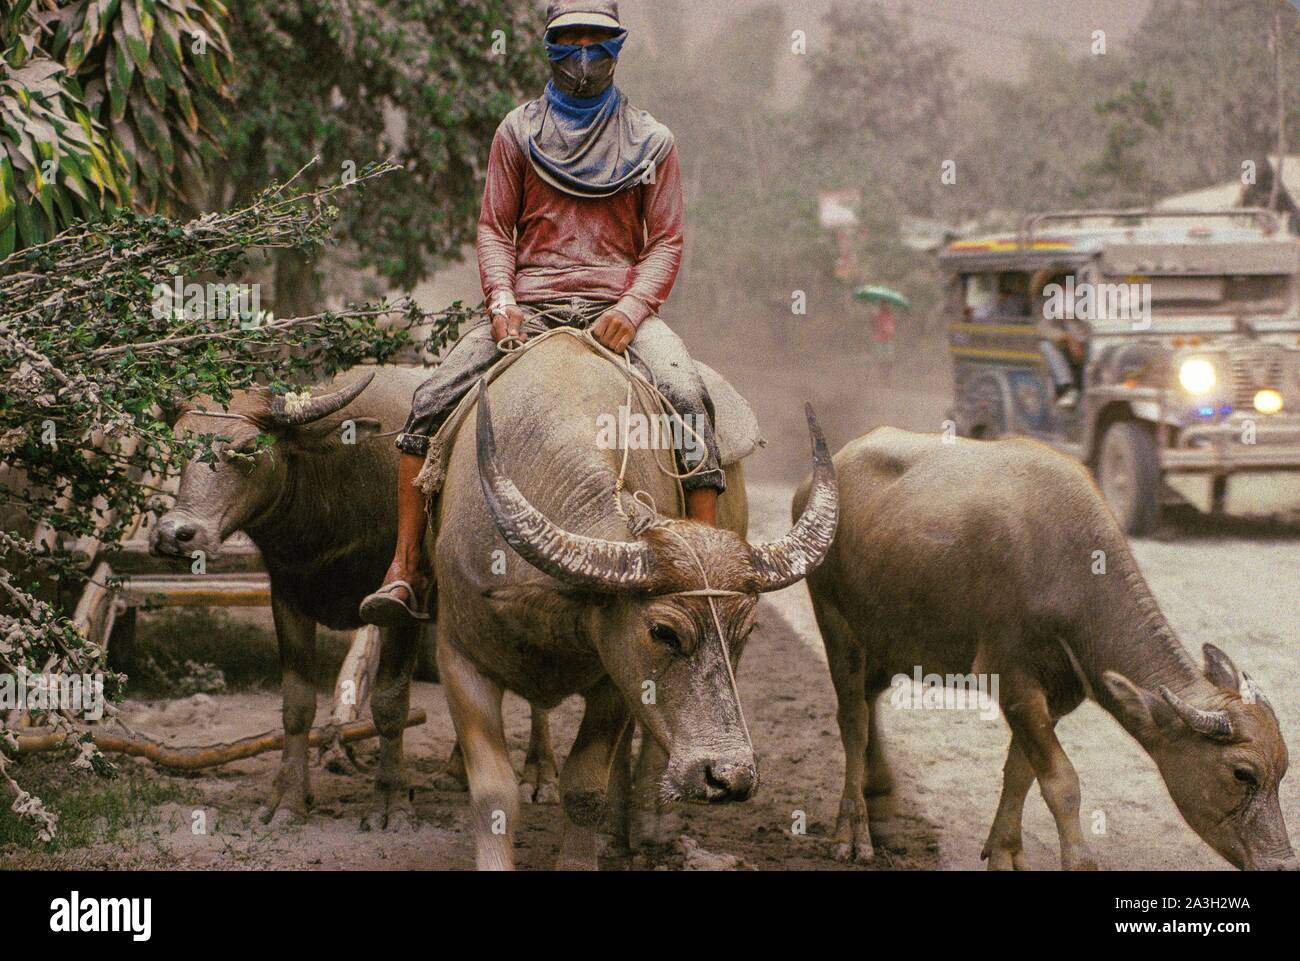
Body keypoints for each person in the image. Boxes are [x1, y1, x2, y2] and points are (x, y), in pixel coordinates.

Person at [358, 0, 724, 626]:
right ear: (549, 46)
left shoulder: (653, 140)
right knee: (428, 402)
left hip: (618, 308)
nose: (584, 53)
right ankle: (406, 566)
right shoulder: (516, 132)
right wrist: (501, 302)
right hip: (530, 304)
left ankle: (705, 572)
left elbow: (664, 240)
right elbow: (496, 228)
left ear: (618, 45)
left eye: (597, 39)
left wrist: (633, 308)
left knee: (688, 399)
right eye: (570, 39)